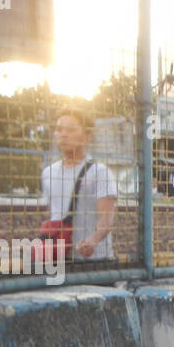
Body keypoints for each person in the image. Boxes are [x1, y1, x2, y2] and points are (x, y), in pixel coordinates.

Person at [41, 108, 117, 261]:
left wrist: (93, 240)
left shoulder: (99, 172)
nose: (63, 134)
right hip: (60, 259)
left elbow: (107, 219)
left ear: (86, 137)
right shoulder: (47, 173)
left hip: (94, 260)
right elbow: (52, 214)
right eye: (59, 129)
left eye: (71, 130)